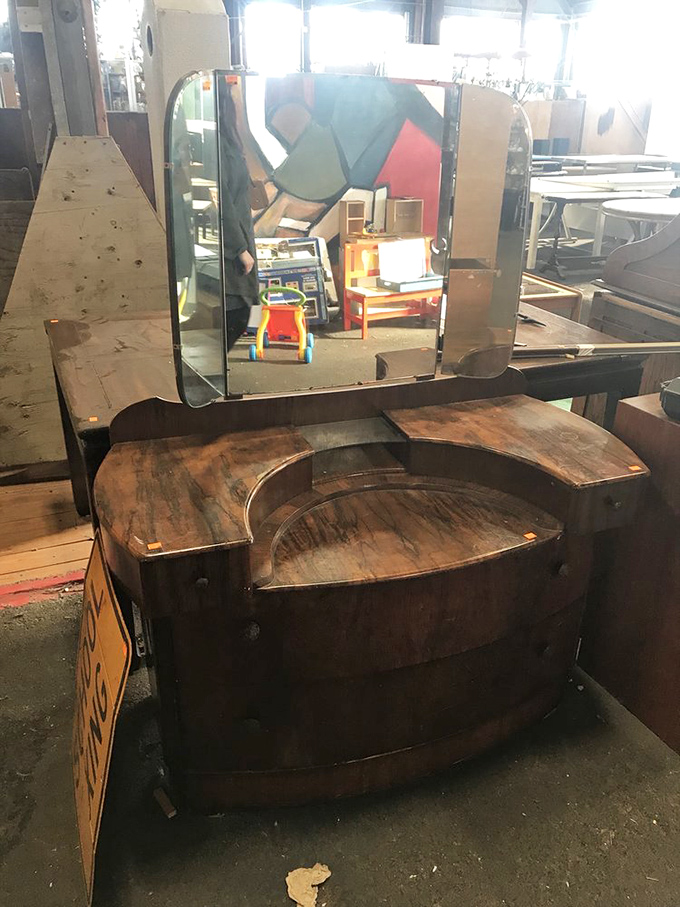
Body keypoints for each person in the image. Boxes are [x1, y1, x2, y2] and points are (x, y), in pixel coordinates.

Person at [218, 82, 259, 350]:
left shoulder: (229, 141)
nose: (239, 103)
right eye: (234, 97)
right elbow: (220, 201)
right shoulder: (219, 146)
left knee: (246, 310)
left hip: (241, 236)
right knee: (239, 311)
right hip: (233, 246)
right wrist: (239, 248)